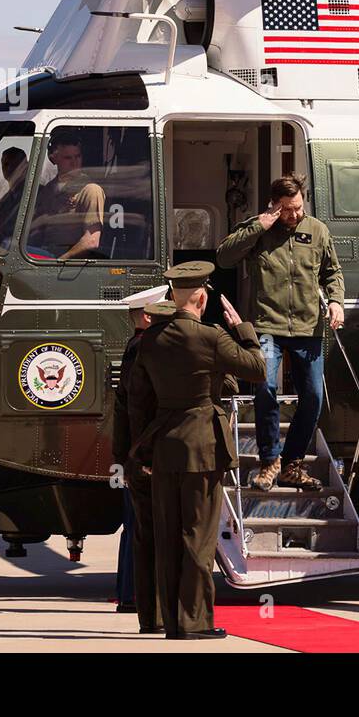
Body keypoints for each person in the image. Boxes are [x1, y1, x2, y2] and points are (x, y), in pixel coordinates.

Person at [127, 261, 266, 640]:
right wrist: (242, 329)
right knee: (198, 537)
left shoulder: (152, 340)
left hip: (165, 446)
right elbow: (257, 369)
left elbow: (141, 397)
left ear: (174, 298)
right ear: (202, 297)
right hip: (203, 447)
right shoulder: (210, 337)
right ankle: (194, 621)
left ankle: (168, 621)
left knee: (167, 535)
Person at [215, 174, 345, 492]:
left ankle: (292, 463)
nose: (294, 215)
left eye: (298, 207)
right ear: (274, 206)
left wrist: (337, 302)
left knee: (313, 396)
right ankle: (269, 460)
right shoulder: (258, 229)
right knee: (265, 389)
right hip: (267, 326)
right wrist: (259, 226)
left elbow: (332, 271)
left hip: (308, 327)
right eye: (286, 209)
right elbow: (224, 257)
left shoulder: (318, 230)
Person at [110, 285, 170, 630]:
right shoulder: (142, 349)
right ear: (148, 316)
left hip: (133, 451)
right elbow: (133, 408)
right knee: (141, 526)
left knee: (135, 525)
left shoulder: (135, 347)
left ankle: (129, 592)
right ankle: (132, 594)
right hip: (142, 452)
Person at [28, 128, 105, 260]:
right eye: (68, 158)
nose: (74, 162)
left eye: (78, 156)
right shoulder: (47, 191)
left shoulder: (90, 190)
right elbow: (36, 231)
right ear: (54, 158)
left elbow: (91, 240)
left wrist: (60, 261)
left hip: (67, 265)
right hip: (43, 256)